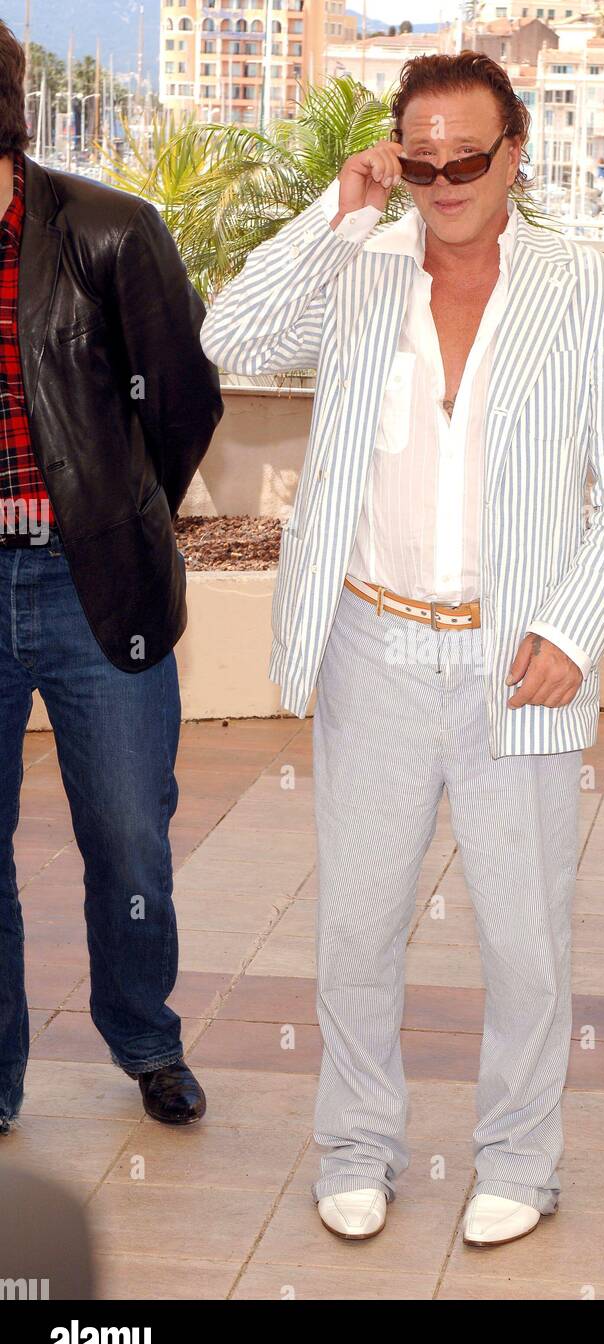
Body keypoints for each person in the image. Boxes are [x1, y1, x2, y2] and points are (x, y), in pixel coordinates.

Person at [201, 51, 604, 1247]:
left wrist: (571, 626)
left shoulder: (586, 289)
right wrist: (337, 209)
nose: (446, 177)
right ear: (398, 156)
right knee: (355, 924)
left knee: (524, 934)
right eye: (423, 156)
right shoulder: (358, 270)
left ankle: (519, 1157)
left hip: (516, 659)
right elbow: (226, 331)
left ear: (515, 154)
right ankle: (356, 1147)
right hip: (373, 645)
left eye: (469, 154)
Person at [0, 21, 223, 1135]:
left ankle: (146, 1041)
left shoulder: (110, 230)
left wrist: (117, 519)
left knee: (130, 832)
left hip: (94, 587)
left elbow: (182, 403)